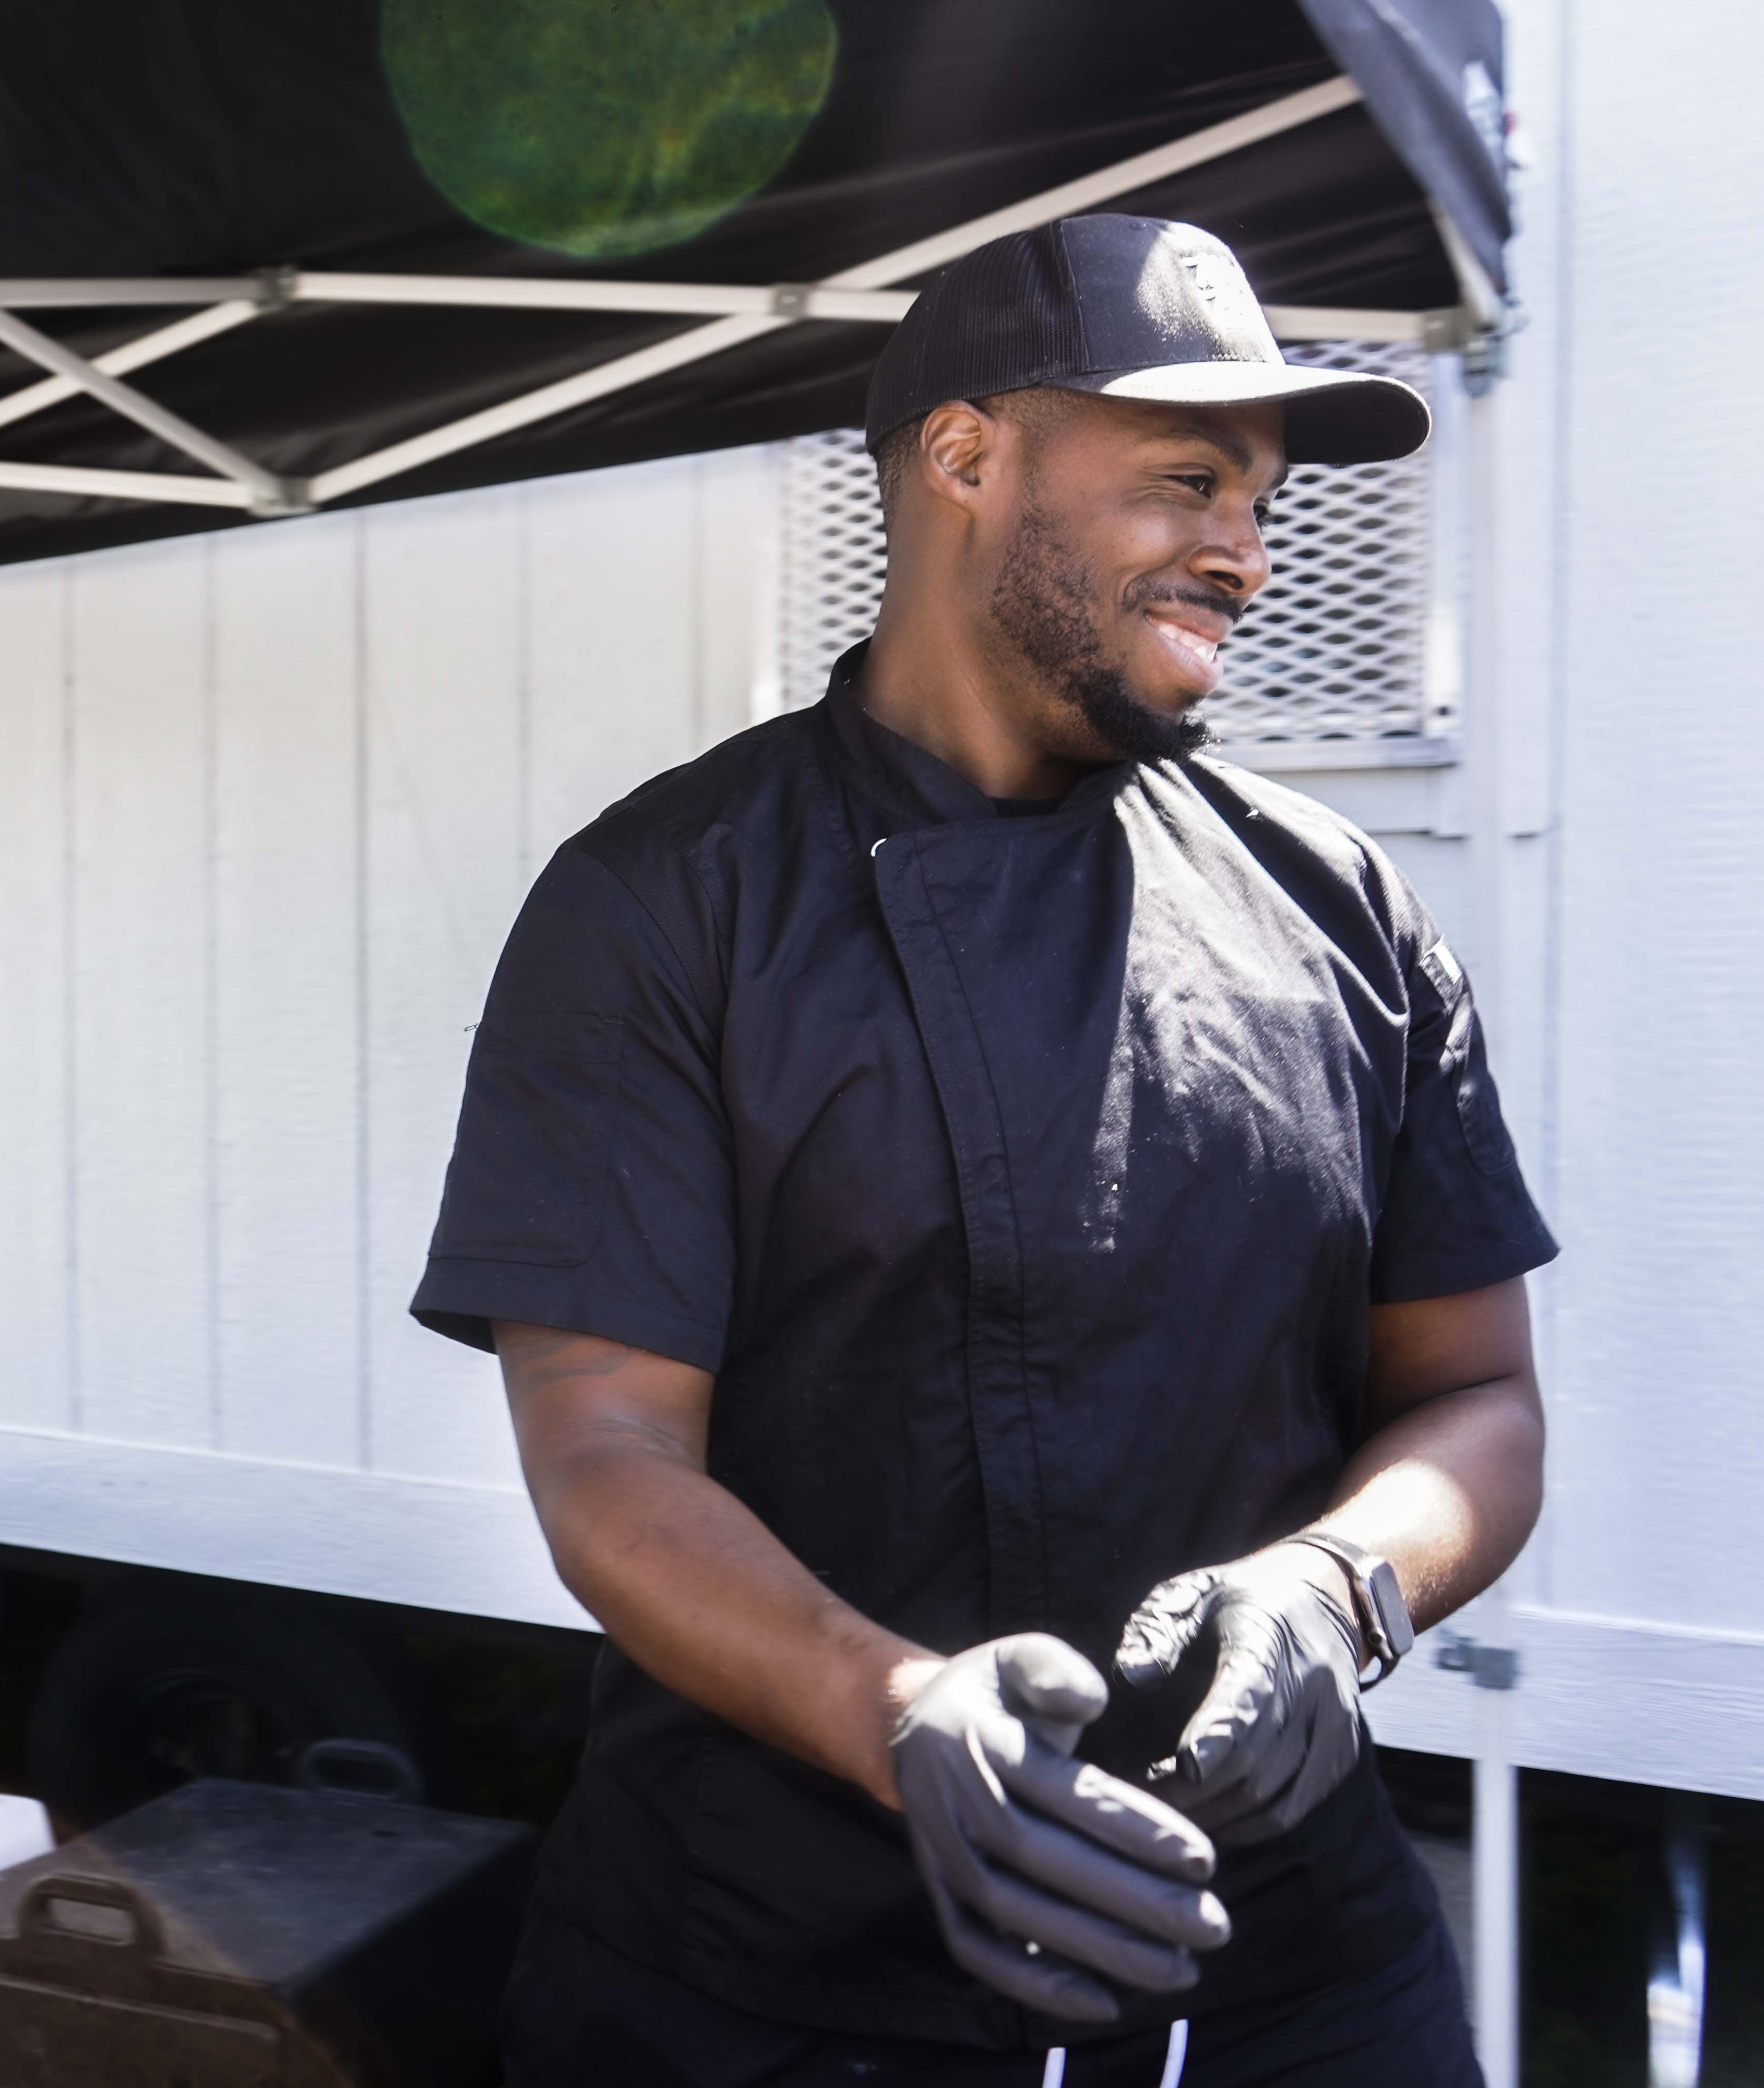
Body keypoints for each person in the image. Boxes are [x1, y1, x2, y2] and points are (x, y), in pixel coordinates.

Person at [412, 215, 1553, 2085]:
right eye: (1190, 478)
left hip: (1287, 1983)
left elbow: (1482, 1397)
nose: (1247, 555)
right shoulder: (666, 904)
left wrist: (1341, 1592)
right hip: (772, 1986)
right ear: (963, 457)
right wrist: (904, 1713)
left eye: (1262, 502)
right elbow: (608, 1453)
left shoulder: (1341, 908)